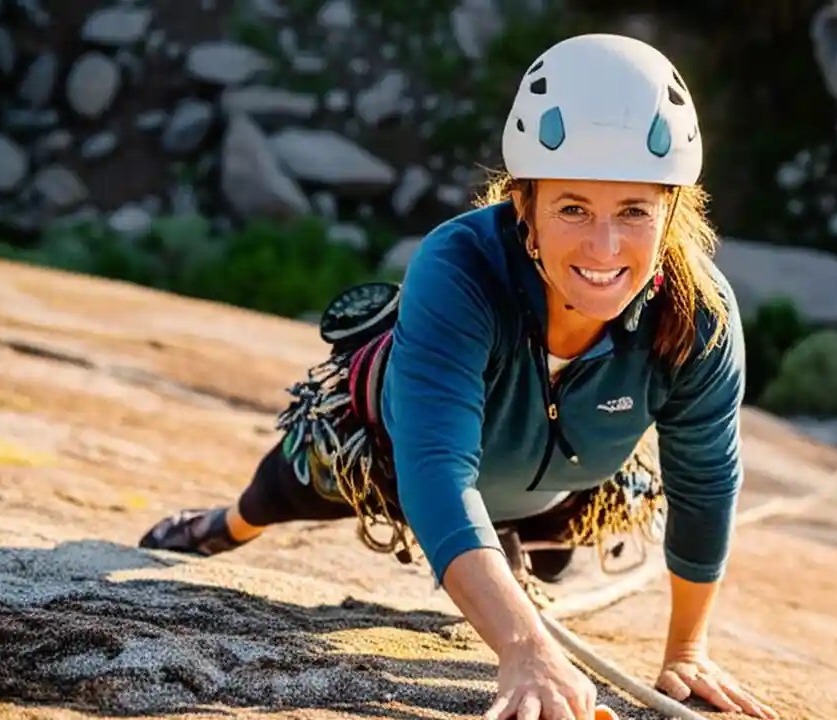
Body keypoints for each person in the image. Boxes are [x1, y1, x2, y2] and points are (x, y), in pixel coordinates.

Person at [139, 33, 777, 720]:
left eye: (634, 211)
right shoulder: (460, 267)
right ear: (524, 205)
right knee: (282, 489)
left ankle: (517, 546)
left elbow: (705, 481)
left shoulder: (698, 314)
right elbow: (437, 473)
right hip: (387, 458)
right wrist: (524, 647)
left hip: (569, 480)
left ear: (670, 212)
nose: (604, 246)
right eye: (572, 209)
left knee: (555, 548)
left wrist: (686, 652)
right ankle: (226, 524)